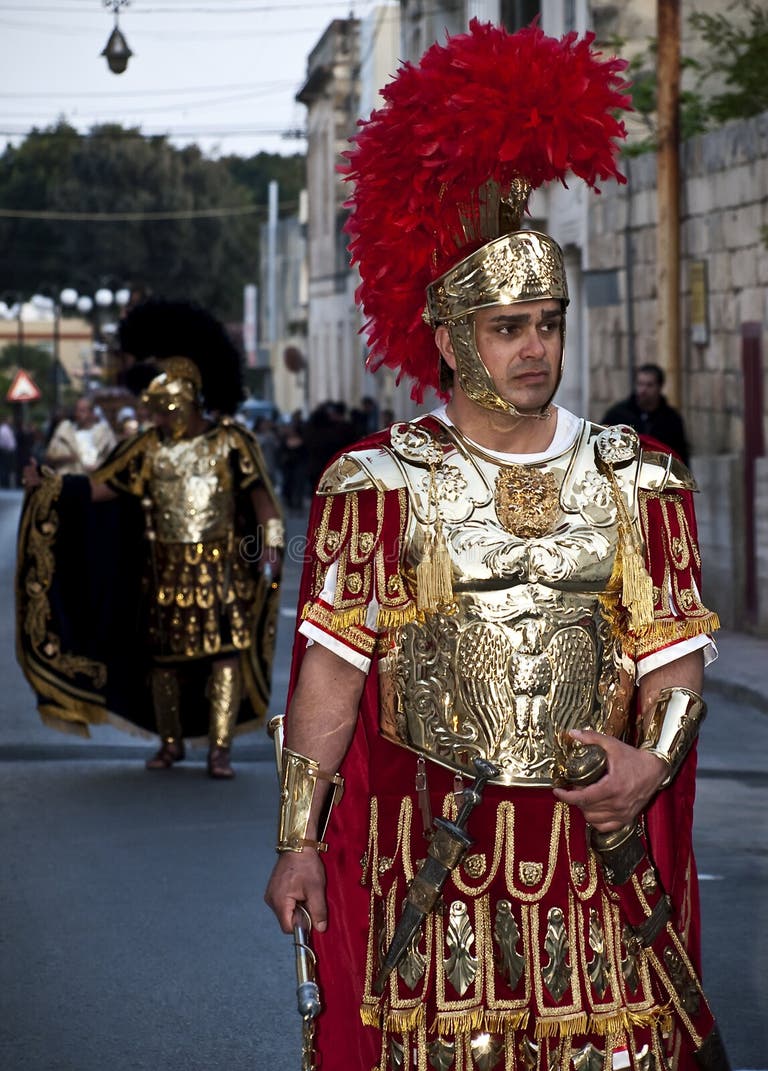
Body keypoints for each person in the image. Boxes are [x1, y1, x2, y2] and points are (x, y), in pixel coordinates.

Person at [264, 22, 728, 1071]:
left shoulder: (636, 473)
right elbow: (332, 677)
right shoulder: (374, 483)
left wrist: (649, 766)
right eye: (508, 326)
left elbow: (674, 655)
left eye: (548, 323)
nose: (534, 348)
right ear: (448, 335)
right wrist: (297, 838)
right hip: (435, 849)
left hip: (590, 850)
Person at [17, 299, 283, 780]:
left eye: (168, 410)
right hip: (163, 568)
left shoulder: (231, 442)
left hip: (221, 566)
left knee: (224, 654)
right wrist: (53, 486)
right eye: (156, 411)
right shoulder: (146, 448)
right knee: (165, 661)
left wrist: (273, 543)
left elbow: (261, 497)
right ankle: (170, 742)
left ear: (190, 402)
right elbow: (102, 486)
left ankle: (219, 750)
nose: (160, 419)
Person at [603, 363, 690, 465]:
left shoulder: (671, 419)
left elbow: (680, 456)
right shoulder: (618, 414)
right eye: (640, 384)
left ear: (659, 387)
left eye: (649, 385)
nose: (643, 390)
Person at [44, 395, 117, 475]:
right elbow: (49, 457)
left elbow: (115, 458)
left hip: (95, 481)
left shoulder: (104, 433)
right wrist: (67, 457)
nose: (78, 414)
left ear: (91, 413)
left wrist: (100, 466)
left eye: (82, 411)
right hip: (69, 480)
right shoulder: (64, 431)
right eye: (77, 410)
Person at [0, 412, 16, 487]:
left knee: (7, 468)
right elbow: (4, 442)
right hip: (6, 451)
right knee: (5, 468)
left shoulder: (8, 429)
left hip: (9, 451)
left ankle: (5, 483)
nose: (11, 421)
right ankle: (4, 483)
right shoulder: (3, 429)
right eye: (10, 419)